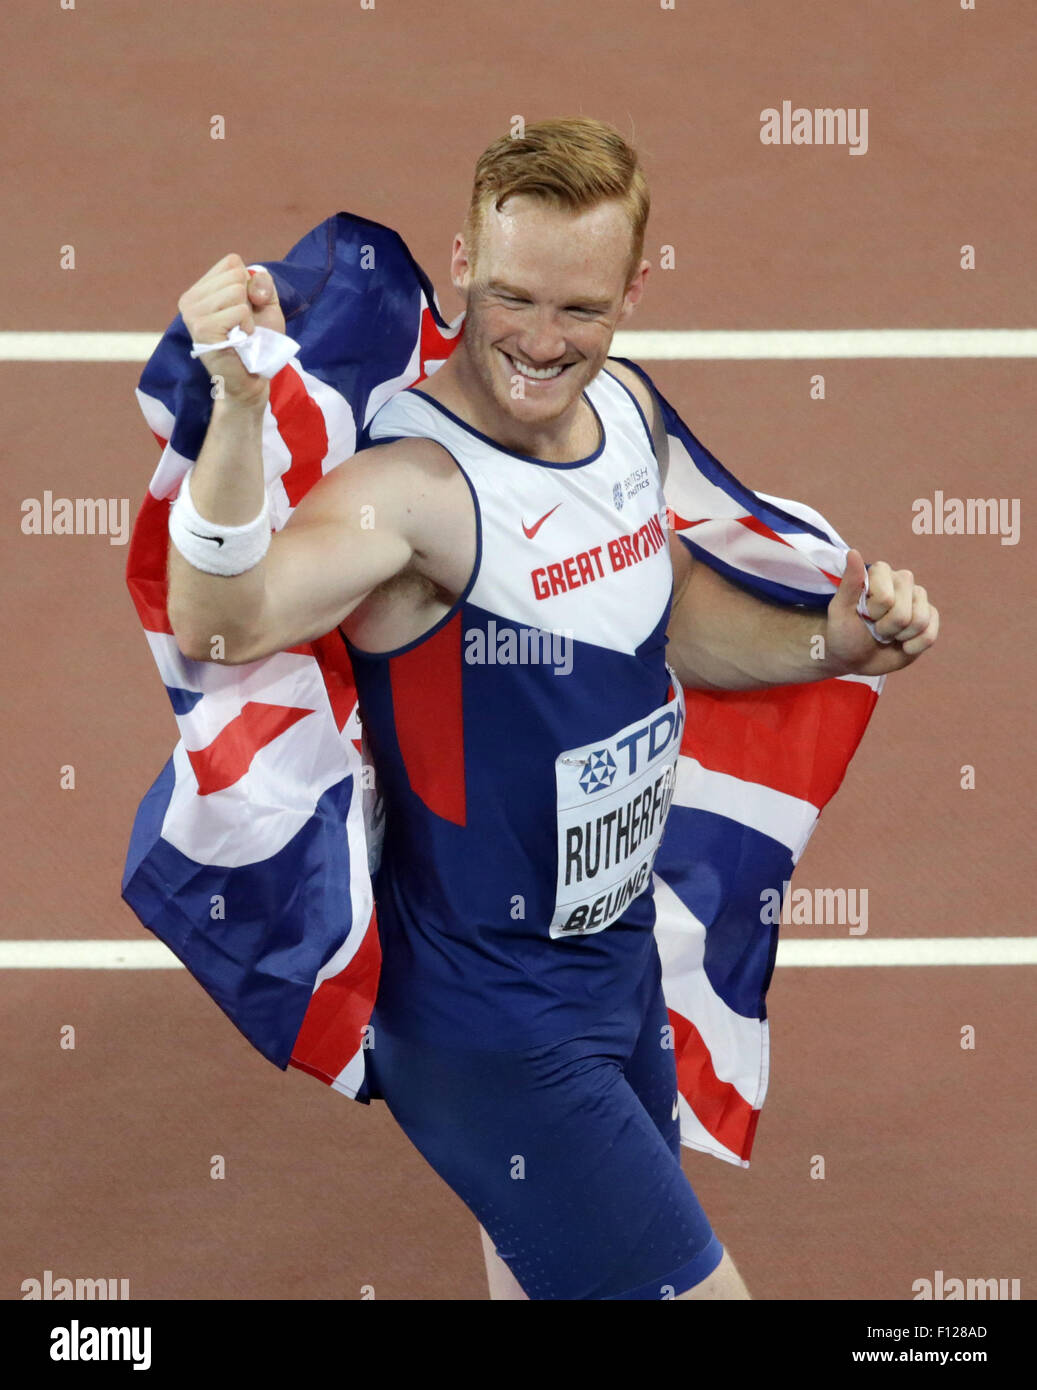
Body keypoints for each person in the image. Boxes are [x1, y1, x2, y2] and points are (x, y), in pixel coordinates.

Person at [167, 118, 939, 1300]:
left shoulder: (624, 413)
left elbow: (669, 611)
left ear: (633, 287)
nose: (537, 342)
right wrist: (230, 404)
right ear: (463, 262)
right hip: (491, 1017)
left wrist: (833, 642)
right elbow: (220, 623)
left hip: (611, 968)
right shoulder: (412, 491)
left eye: (579, 310)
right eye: (511, 295)